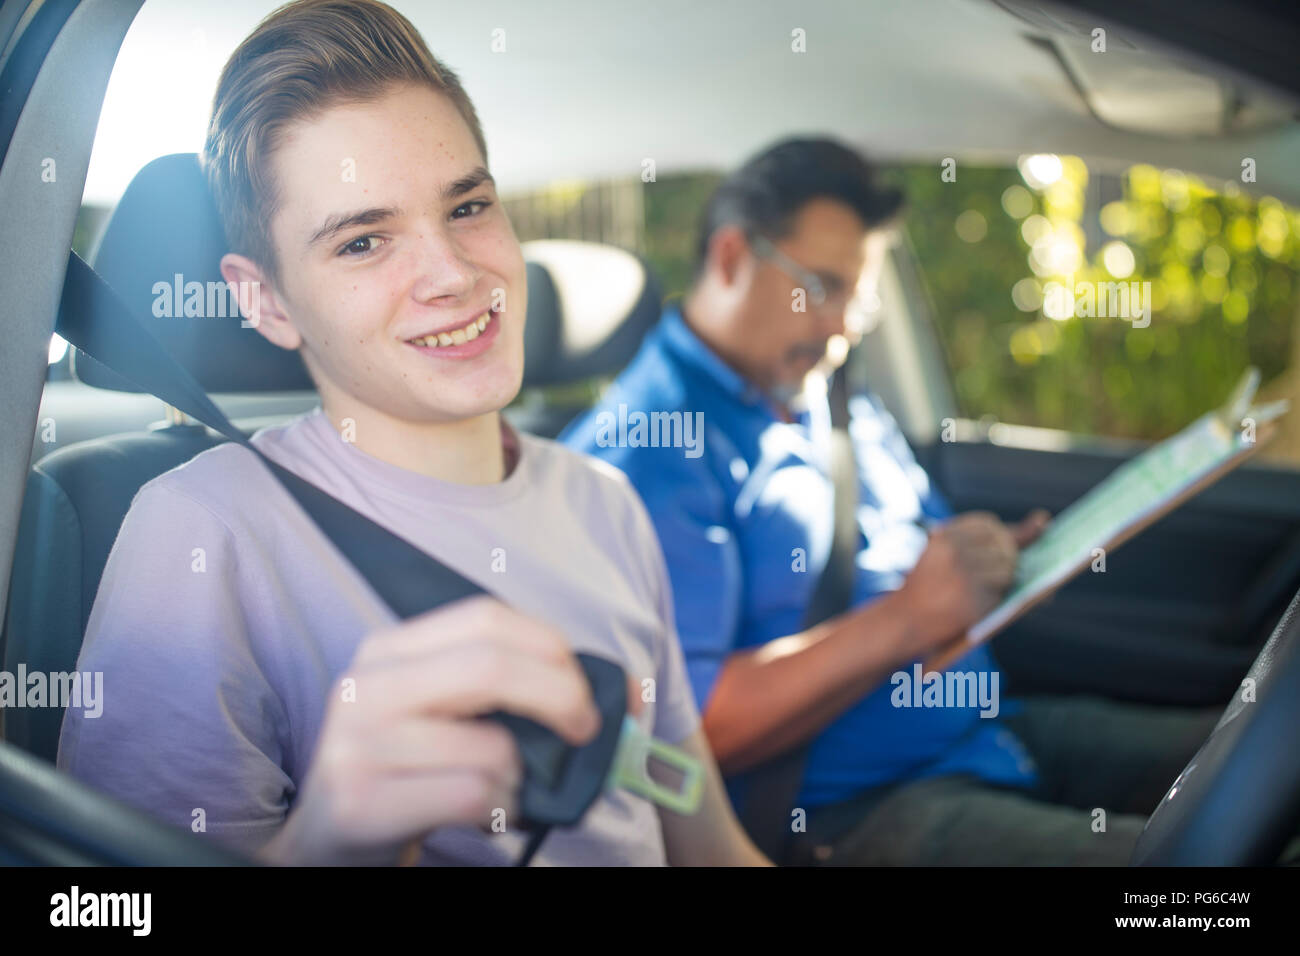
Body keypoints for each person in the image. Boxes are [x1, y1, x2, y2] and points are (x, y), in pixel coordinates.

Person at [57, 0, 768, 867]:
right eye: (362, 242)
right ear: (266, 300)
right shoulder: (202, 536)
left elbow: (701, 837)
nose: (454, 275)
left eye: (467, 208)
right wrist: (328, 843)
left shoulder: (605, 503)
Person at [563, 137, 1220, 865]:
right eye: (821, 287)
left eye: (858, 297)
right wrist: (911, 618)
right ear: (729, 258)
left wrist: (987, 563)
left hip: (991, 737)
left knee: (1254, 754)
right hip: (858, 817)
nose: (842, 325)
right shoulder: (649, 451)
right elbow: (687, 732)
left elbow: (911, 547)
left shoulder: (822, 391)